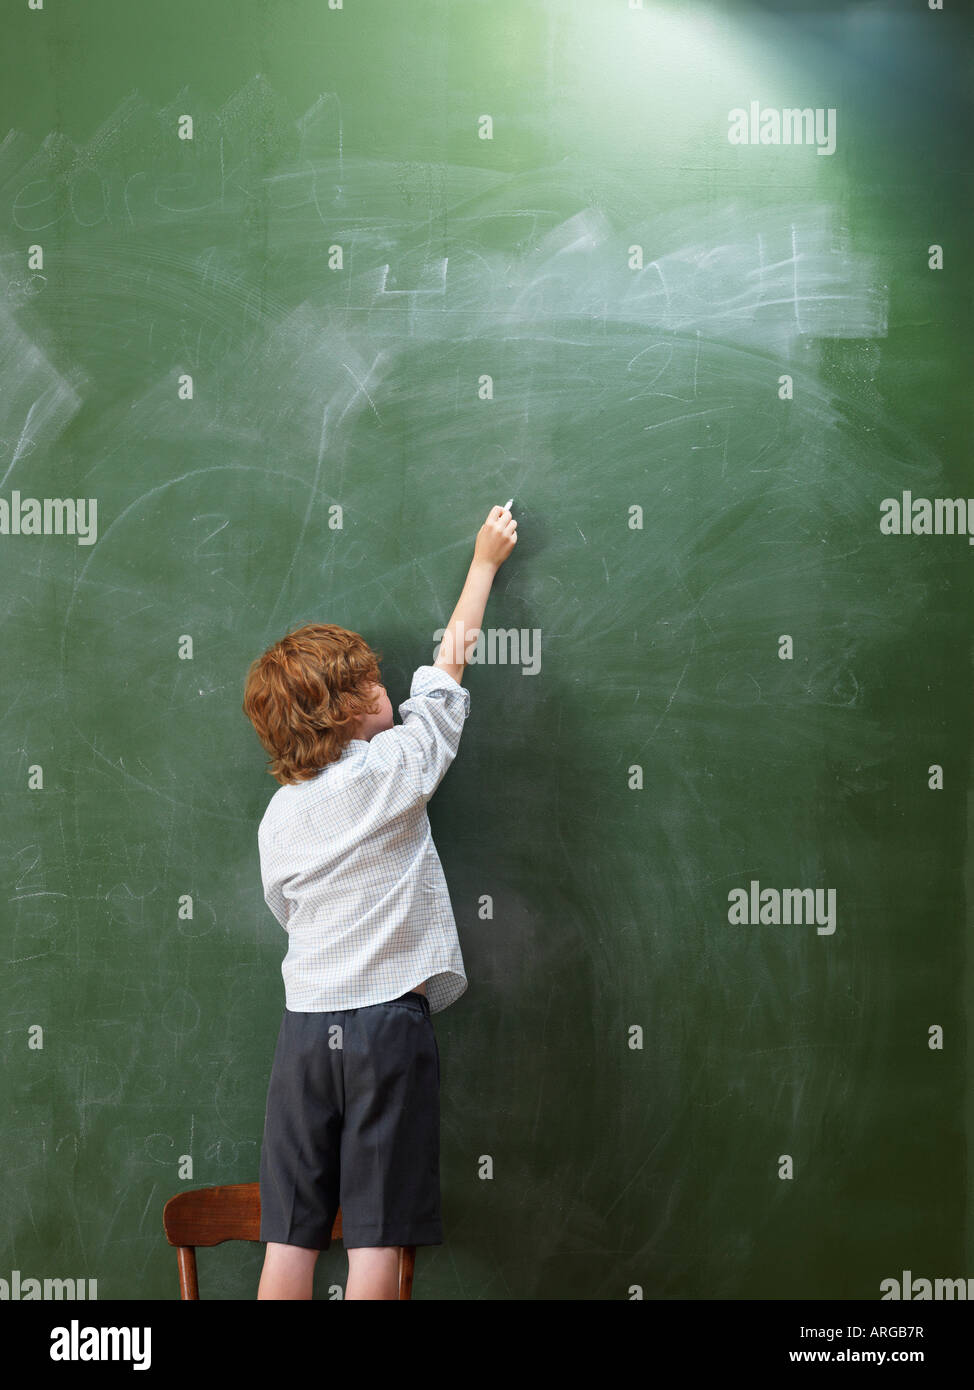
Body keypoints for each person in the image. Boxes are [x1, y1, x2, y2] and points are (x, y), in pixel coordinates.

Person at [241, 503, 518, 1298]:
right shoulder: (395, 770)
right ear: (343, 711)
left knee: (289, 1241)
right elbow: (449, 670)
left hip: (304, 1032)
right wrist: (485, 565)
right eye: (367, 682)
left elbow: (285, 908)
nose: (383, 684)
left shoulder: (281, 814)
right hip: (385, 1031)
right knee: (376, 1243)